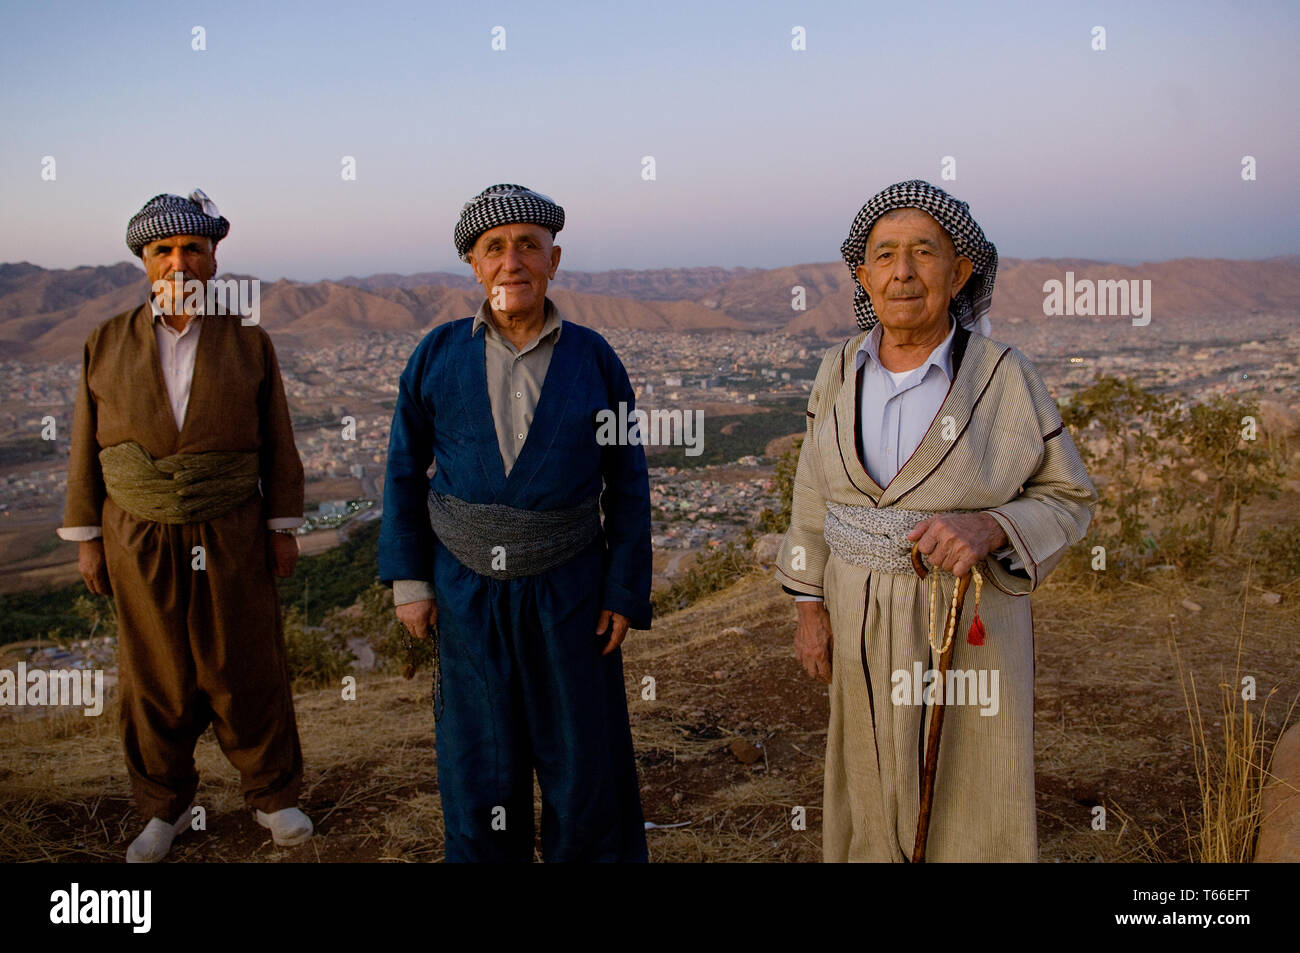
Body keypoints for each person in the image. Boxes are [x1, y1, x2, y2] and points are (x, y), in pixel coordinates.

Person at [777, 180, 1098, 862]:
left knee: (969, 776)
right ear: (863, 275)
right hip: (857, 608)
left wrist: (994, 527)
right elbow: (812, 497)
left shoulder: (1004, 376)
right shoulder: (836, 370)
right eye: (885, 255)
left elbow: (1069, 497)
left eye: (924, 252)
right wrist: (809, 607)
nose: (902, 271)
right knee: (867, 777)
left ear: (959, 272)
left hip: (967, 613)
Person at [379, 184, 652, 862]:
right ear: (474, 266)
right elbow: (403, 470)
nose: (513, 261)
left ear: (553, 260)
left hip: (572, 591)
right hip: (466, 593)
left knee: (581, 756)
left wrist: (623, 589)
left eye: (528, 245)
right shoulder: (437, 356)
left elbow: (627, 482)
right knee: (480, 757)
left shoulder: (594, 360)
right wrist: (410, 579)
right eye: (494, 248)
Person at [59, 190, 313, 862]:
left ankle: (272, 793)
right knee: (156, 671)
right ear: (144, 261)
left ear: (213, 257)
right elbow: (85, 446)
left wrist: (282, 526)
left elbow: (277, 441)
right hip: (136, 531)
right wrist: (85, 537)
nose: (178, 261)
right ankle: (161, 808)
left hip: (231, 526)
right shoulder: (104, 343)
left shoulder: (249, 341)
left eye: (191, 249)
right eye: (163, 250)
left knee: (244, 661)